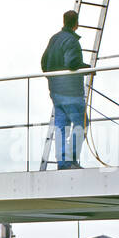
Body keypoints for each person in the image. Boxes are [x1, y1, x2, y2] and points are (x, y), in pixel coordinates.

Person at [41, 10, 87, 169]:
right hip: (72, 92)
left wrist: (53, 80)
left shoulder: (54, 39)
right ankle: (71, 159)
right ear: (76, 23)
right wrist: (86, 68)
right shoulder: (72, 41)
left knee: (61, 126)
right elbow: (72, 63)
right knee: (81, 124)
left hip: (56, 92)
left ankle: (62, 162)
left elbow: (44, 63)